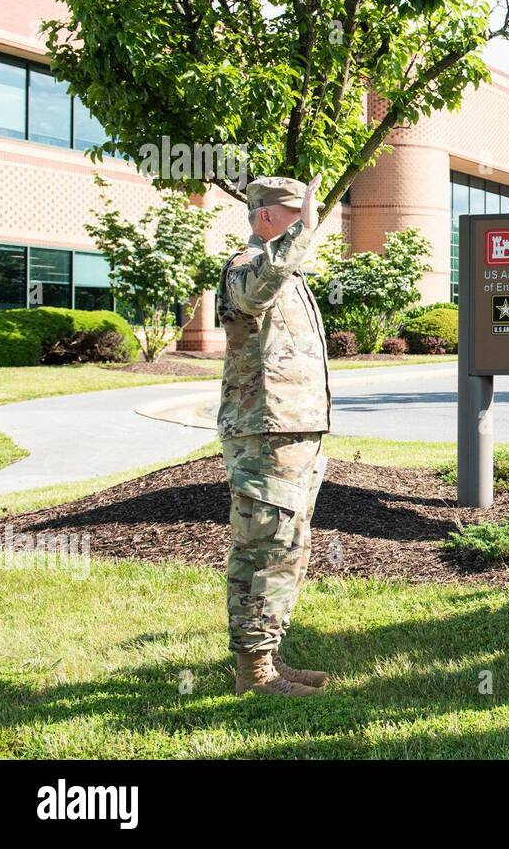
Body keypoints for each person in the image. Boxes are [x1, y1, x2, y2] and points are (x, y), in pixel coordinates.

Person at [218, 175, 332, 697]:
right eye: (295, 213)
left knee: (289, 547)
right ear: (267, 216)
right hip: (263, 432)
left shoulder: (290, 275)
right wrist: (301, 234)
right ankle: (253, 674)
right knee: (262, 546)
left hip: (296, 431)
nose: (307, 223)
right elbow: (262, 282)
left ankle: (270, 656)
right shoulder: (245, 270)